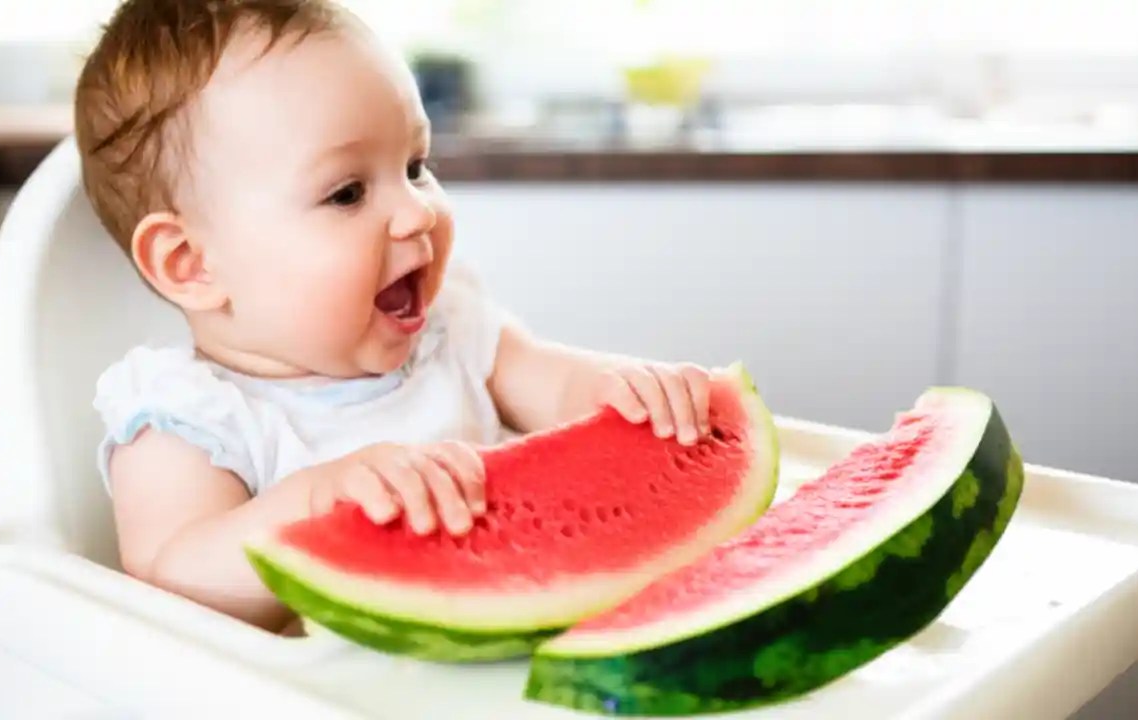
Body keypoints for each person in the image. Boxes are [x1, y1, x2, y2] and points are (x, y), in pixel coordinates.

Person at [77, 0, 718, 634]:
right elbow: (171, 576)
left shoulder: (448, 332)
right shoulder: (190, 420)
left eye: (414, 167)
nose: (417, 213)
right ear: (192, 263)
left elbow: (558, 386)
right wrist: (317, 502)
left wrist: (624, 392)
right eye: (347, 193)